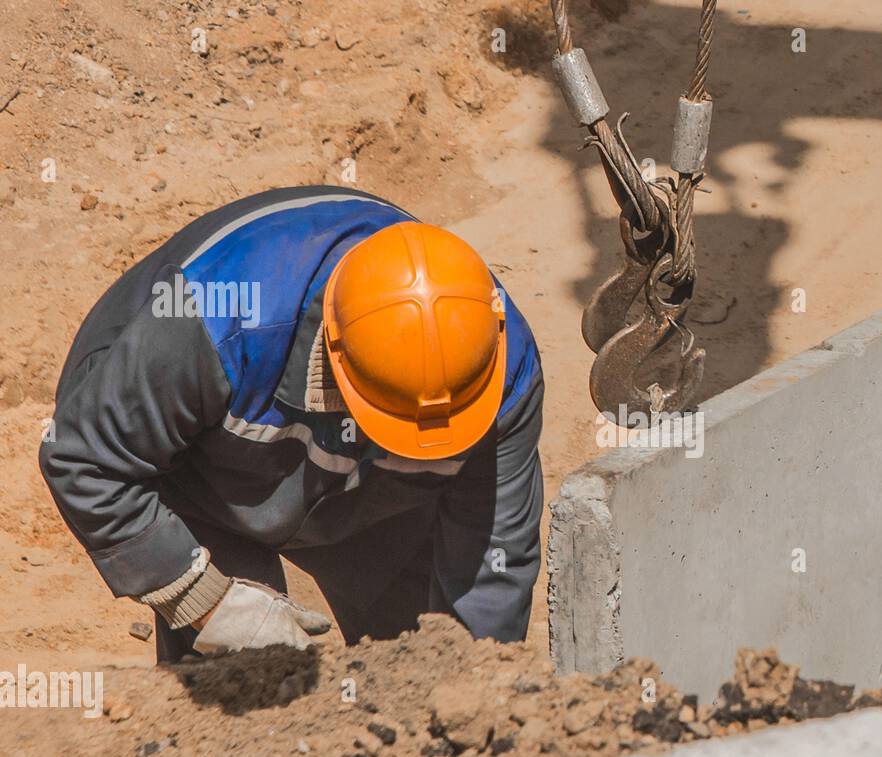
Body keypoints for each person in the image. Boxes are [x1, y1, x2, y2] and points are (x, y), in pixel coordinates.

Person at [39, 186, 543, 662]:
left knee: (417, 658)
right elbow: (83, 458)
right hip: (198, 470)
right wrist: (204, 601)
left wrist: (474, 693)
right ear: (334, 351)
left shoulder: (495, 367)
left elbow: (491, 556)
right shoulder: (219, 320)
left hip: (372, 495)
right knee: (246, 679)